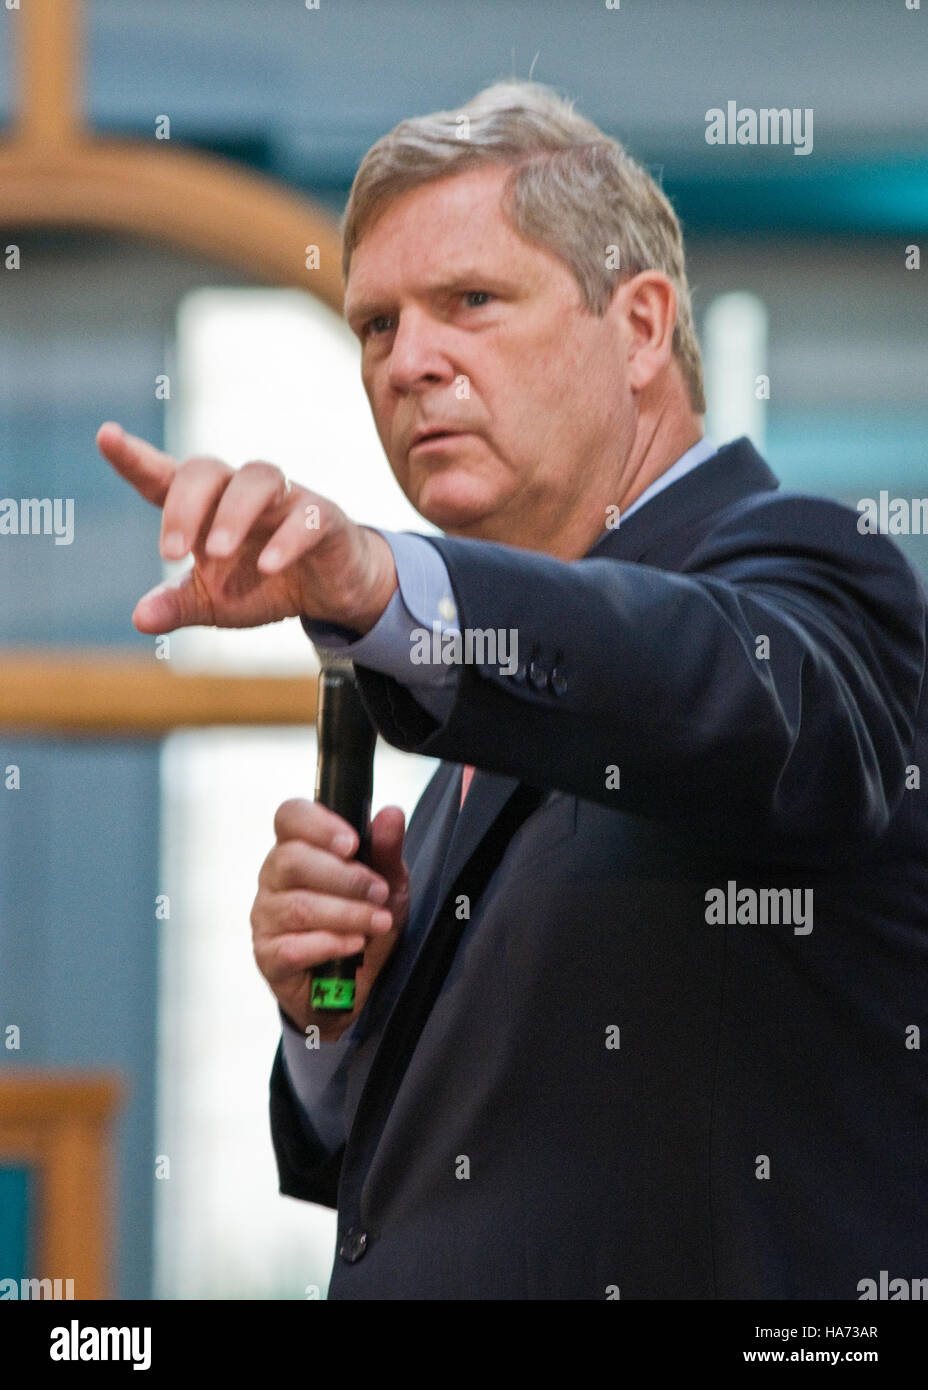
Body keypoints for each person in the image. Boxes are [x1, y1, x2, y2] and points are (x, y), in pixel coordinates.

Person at [97, 80, 927, 1301]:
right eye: (375, 326)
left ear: (641, 326)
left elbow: (696, 680)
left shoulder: (812, 579)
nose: (409, 360)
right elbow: (418, 1170)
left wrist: (382, 576)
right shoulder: (483, 715)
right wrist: (331, 1005)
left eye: (469, 302)